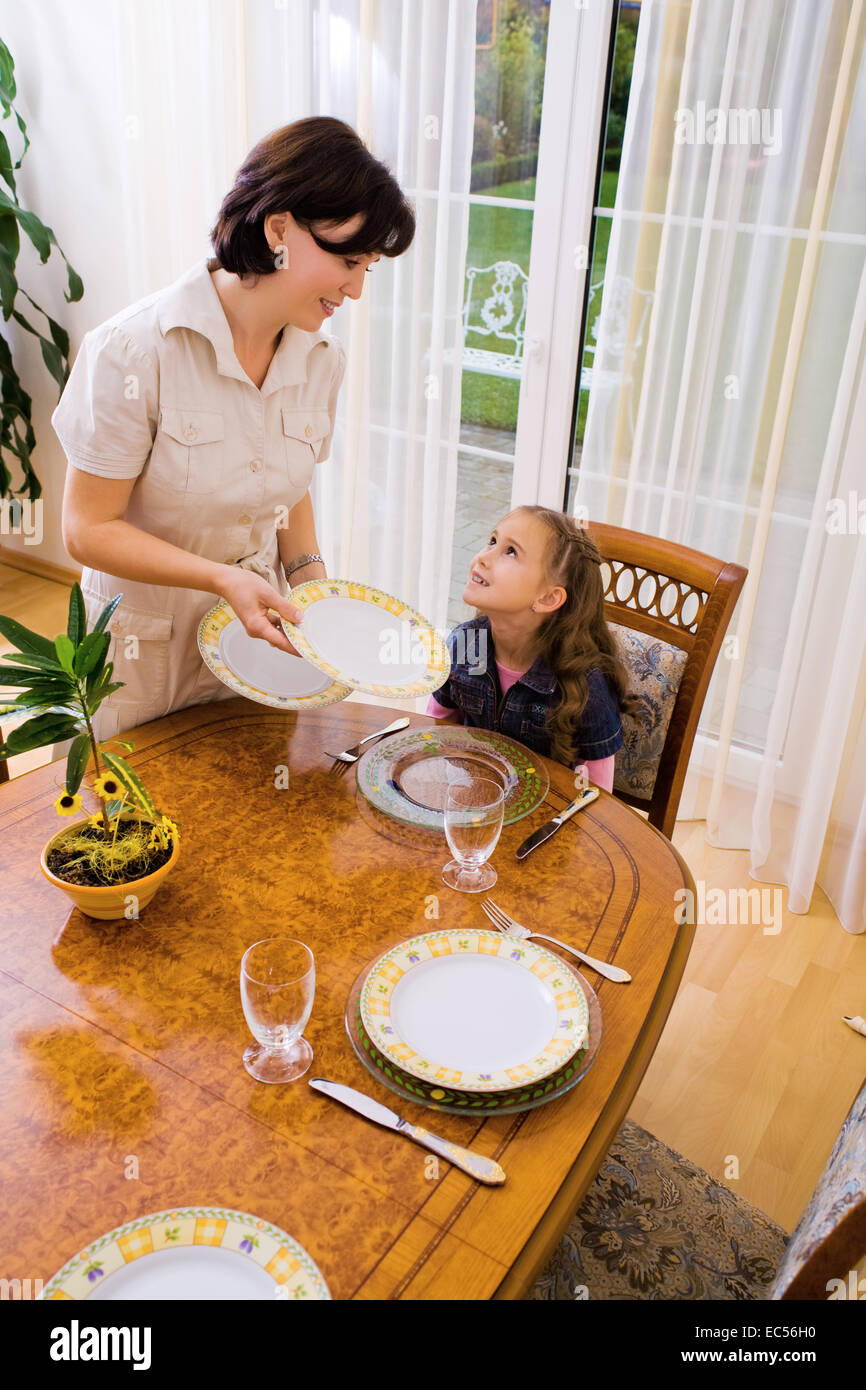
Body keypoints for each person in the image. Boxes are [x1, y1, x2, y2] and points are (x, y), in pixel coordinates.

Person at [53, 116, 415, 741]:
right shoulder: (133, 352)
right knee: (145, 830)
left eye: (369, 268)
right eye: (349, 260)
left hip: (258, 657)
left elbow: (287, 493)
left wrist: (315, 598)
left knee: (256, 827)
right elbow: (87, 530)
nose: (355, 289)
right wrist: (224, 579)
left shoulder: (321, 360)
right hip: (140, 663)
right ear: (279, 228)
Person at [427, 506, 641, 791]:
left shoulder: (587, 687)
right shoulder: (465, 644)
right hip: (472, 805)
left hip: (548, 823)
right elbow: (434, 734)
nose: (482, 558)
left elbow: (594, 800)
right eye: (492, 541)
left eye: (511, 551)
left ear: (548, 597)